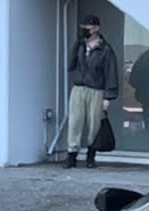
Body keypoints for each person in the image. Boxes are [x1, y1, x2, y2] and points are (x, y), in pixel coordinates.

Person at [64, 15, 119, 168]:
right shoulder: (81, 45)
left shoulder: (105, 49)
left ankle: (91, 155)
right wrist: (78, 45)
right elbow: (71, 64)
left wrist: (108, 97)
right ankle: (71, 155)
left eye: (87, 27)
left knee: (94, 123)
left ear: (96, 28)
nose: (84, 30)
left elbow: (111, 73)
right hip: (79, 88)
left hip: (96, 90)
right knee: (75, 121)